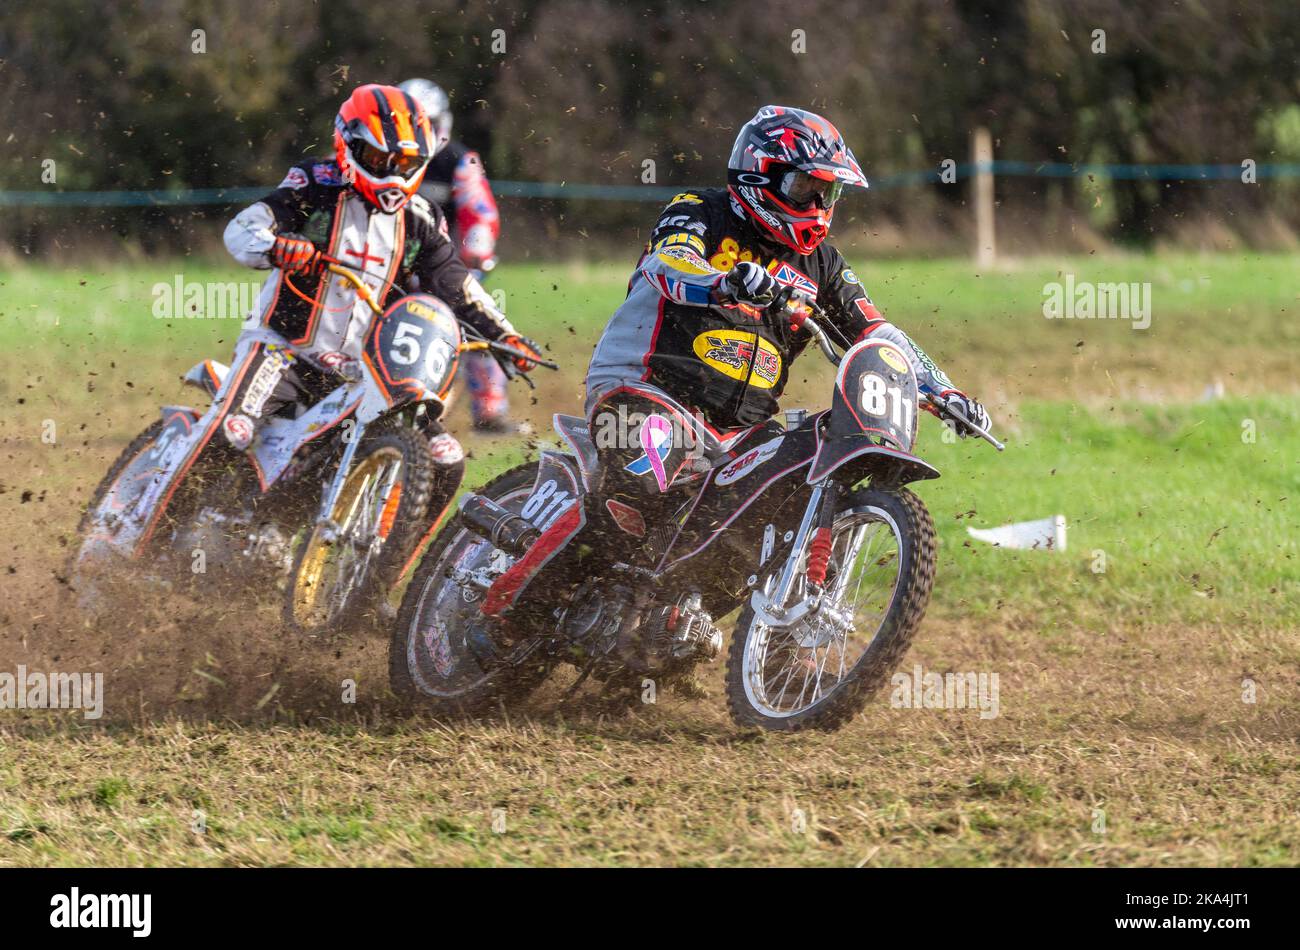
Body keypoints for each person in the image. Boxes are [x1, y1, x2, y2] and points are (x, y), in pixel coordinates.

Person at [471, 105, 989, 653]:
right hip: (646, 388)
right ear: (758, 174)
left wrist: (941, 388)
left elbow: (877, 331)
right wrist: (725, 282)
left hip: (737, 430)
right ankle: (504, 611)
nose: (817, 206)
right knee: (641, 484)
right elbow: (669, 264)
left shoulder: (824, 266)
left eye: (828, 193)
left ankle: (725, 636)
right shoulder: (700, 211)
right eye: (805, 187)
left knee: (785, 496)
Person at [125, 83, 540, 549]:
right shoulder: (315, 184)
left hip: (362, 370)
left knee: (446, 459)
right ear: (349, 146)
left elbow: (458, 285)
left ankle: (375, 574)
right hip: (284, 349)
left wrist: (508, 338)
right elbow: (244, 228)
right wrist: (276, 246)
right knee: (232, 428)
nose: (392, 173)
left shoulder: (421, 218)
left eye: (405, 163)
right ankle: (145, 540)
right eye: (380, 159)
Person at [399, 77, 517, 434]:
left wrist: (476, 250)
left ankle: (490, 412)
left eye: (427, 123)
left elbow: (479, 211)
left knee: (478, 325)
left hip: (445, 263)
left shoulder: (459, 161)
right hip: (388, 263)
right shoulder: (385, 159)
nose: (420, 132)